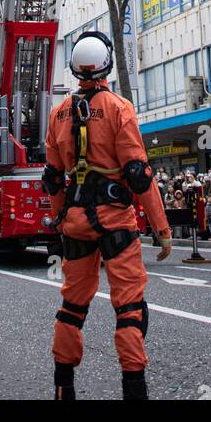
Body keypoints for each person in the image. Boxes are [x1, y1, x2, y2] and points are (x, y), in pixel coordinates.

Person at [42, 31, 172, 402]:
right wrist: (161, 229)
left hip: (76, 224)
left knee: (72, 305)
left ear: (76, 69)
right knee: (129, 306)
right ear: (106, 65)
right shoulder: (119, 108)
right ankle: (134, 390)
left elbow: (53, 179)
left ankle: (63, 387)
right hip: (116, 221)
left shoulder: (58, 112)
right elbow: (139, 174)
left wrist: (61, 219)